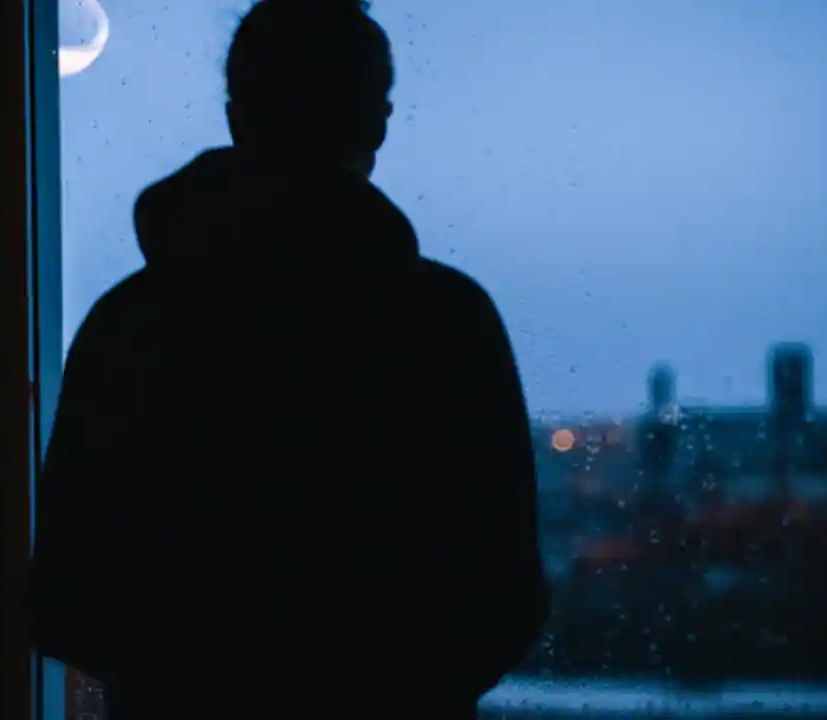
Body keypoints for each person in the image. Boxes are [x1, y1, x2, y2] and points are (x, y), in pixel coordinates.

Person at [28, 1, 549, 717]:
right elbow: (502, 600)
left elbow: (65, 601)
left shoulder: (133, 326)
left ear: (237, 116)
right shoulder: (444, 324)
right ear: (377, 122)